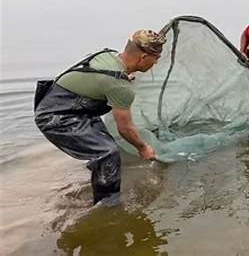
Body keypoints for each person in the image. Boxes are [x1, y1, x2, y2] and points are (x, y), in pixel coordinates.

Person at [34, 30, 166, 205]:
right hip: (56, 118)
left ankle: (97, 173)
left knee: (104, 146)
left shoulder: (109, 56)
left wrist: (122, 80)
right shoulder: (118, 85)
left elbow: (97, 79)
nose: (156, 63)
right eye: (155, 58)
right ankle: (107, 205)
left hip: (67, 106)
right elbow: (125, 128)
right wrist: (143, 147)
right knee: (107, 153)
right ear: (143, 57)